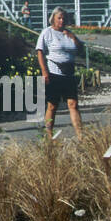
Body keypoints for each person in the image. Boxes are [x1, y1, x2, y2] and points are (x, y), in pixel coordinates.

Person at [36, 7, 84, 140]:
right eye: (59, 18)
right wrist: (44, 71)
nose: (62, 21)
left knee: (73, 104)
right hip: (54, 73)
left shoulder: (69, 33)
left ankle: (81, 136)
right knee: (52, 105)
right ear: (53, 19)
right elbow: (39, 51)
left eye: (64, 18)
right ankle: (49, 135)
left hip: (69, 73)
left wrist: (74, 38)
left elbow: (80, 49)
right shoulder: (47, 33)